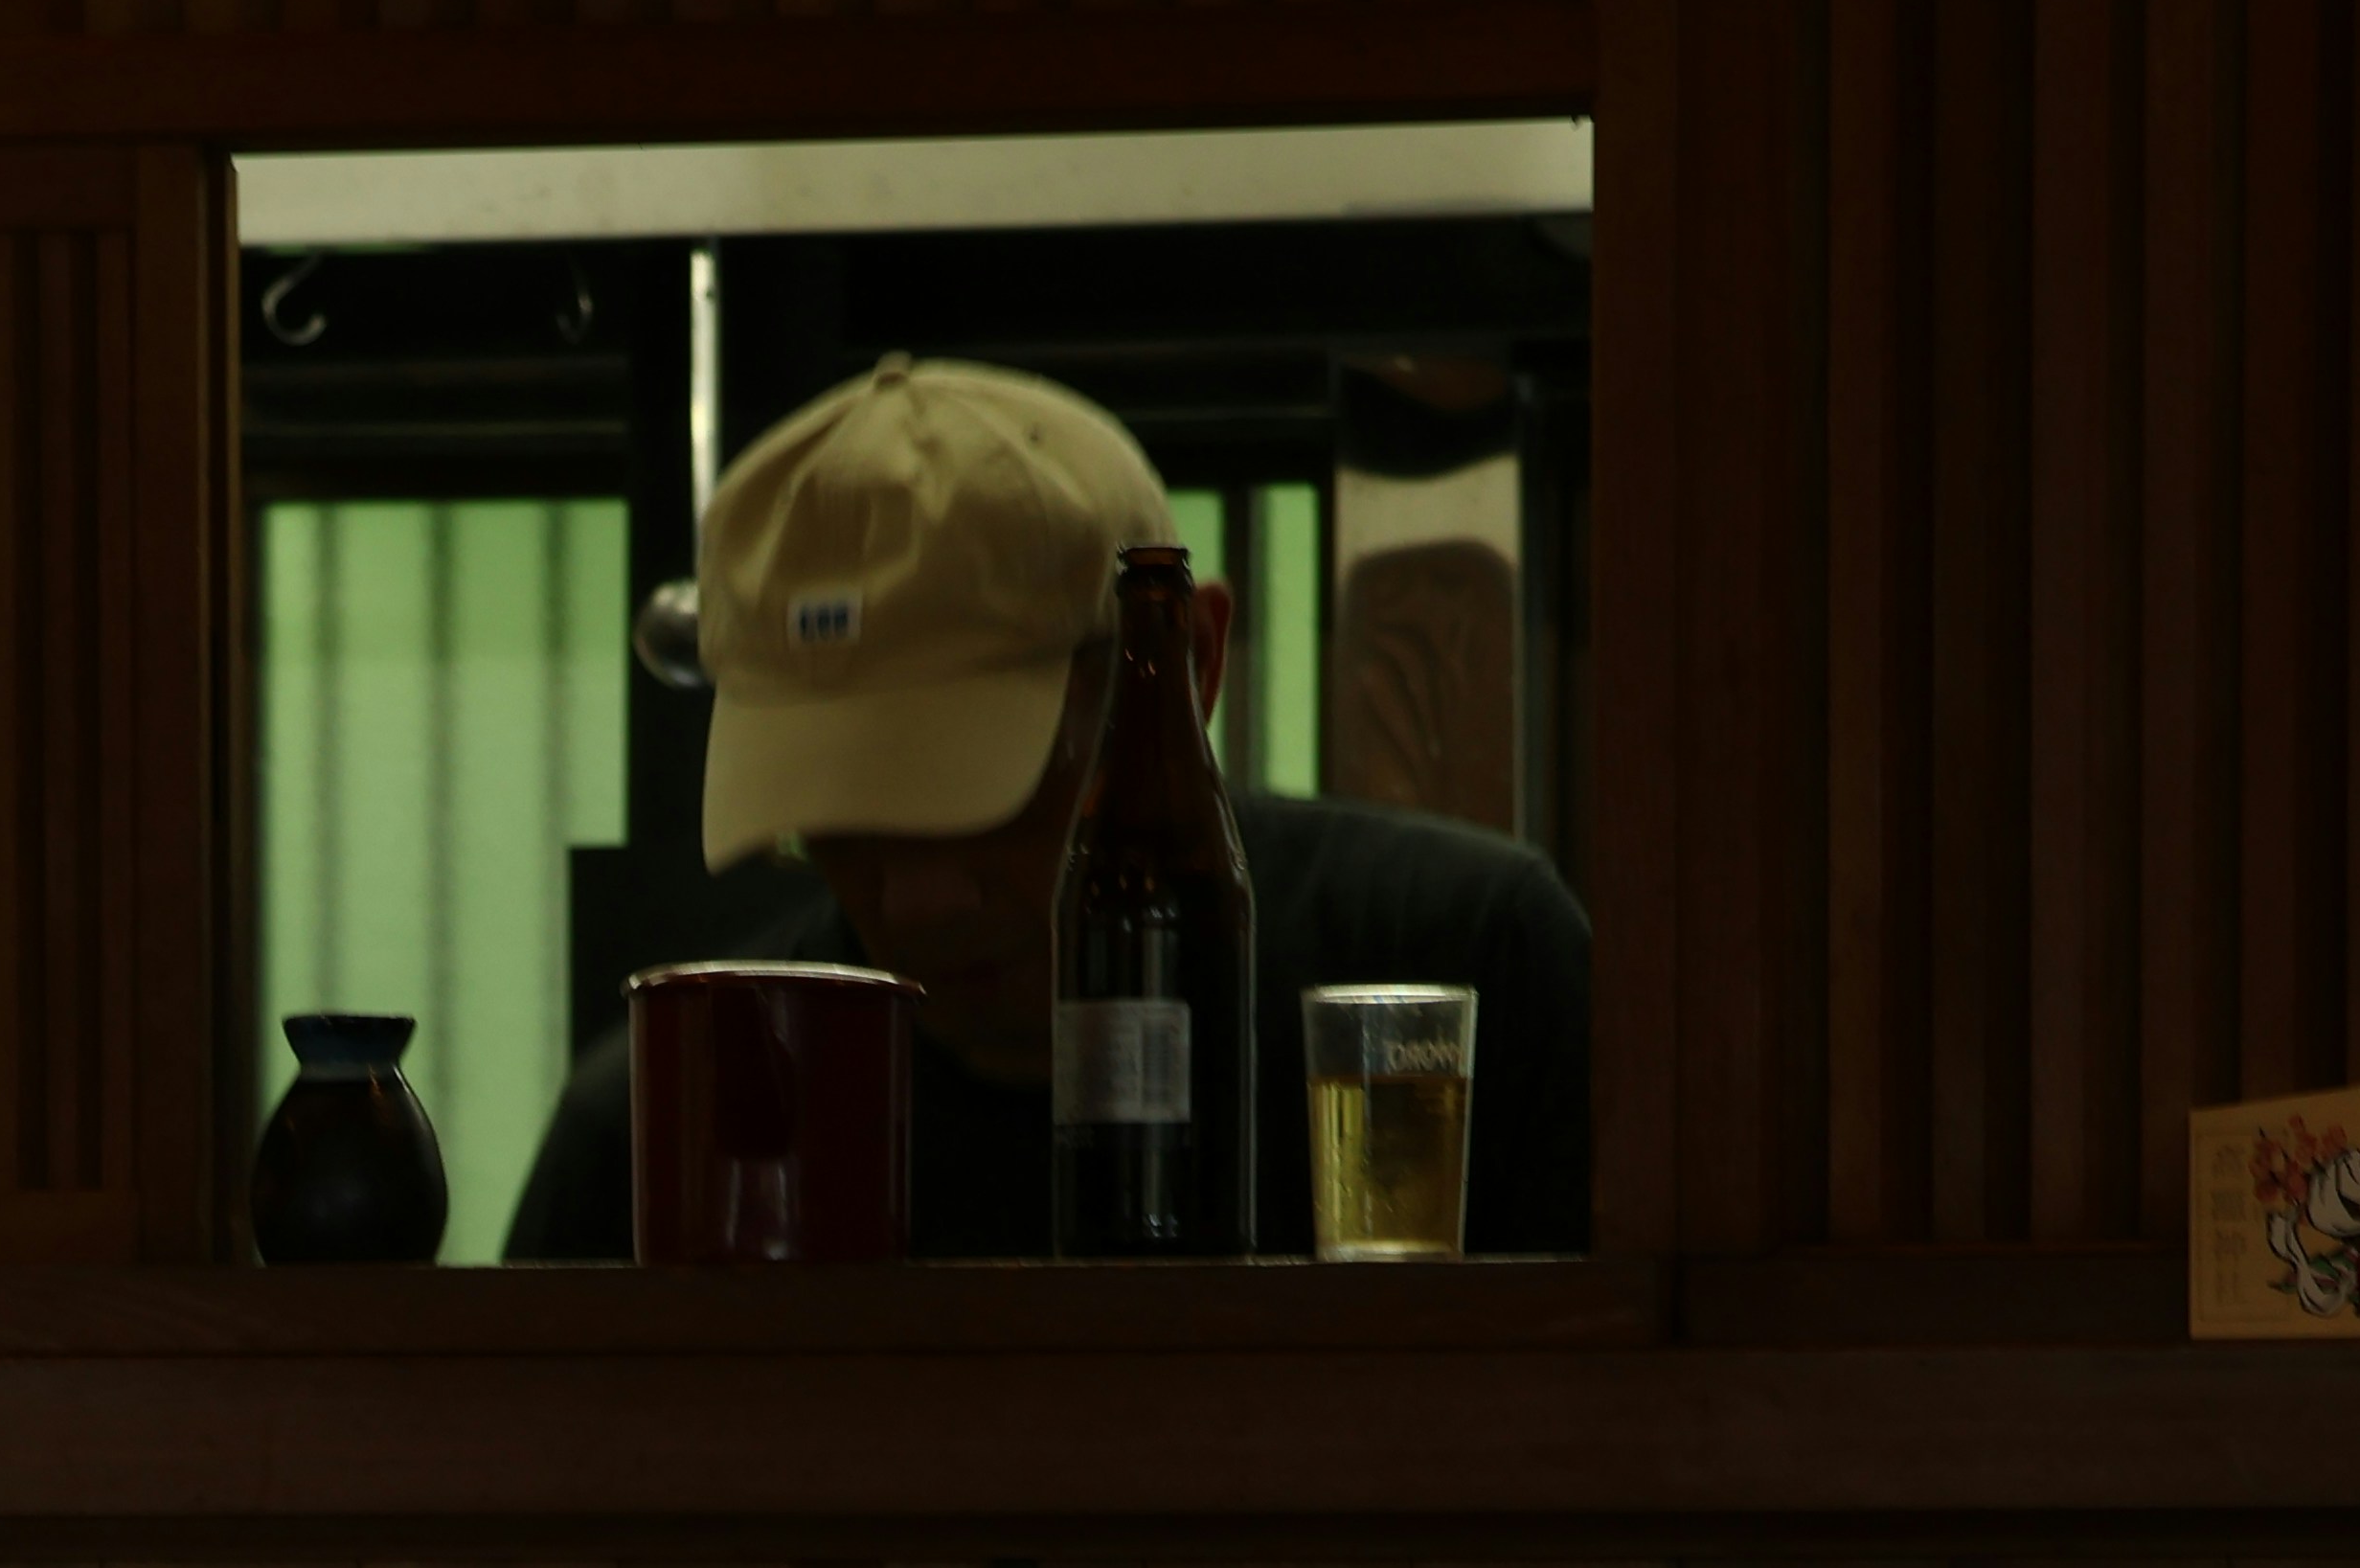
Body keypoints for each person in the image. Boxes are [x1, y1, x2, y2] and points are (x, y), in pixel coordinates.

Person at [505, 354, 1594, 1262]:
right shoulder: (672, 1134)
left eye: (981, 792)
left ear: (1189, 661)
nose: (921, 895)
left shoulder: (1466, 983)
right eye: (842, 815)